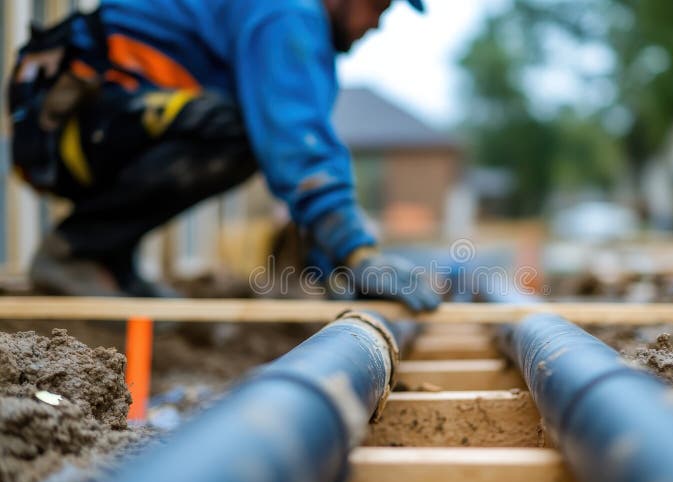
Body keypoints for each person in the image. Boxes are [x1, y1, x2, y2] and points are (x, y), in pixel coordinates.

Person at [7, 0, 441, 312]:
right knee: (240, 132)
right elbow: (295, 144)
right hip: (66, 128)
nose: (378, 23)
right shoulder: (287, 13)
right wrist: (357, 253)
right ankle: (75, 251)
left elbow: (303, 144)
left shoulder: (290, 23)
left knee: (233, 122)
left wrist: (332, 269)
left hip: (96, 125)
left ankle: (111, 262)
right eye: (379, 6)